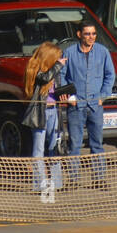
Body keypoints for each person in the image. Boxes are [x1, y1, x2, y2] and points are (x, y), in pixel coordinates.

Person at [62, 19, 115, 189]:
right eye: (87, 34)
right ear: (79, 35)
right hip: (76, 106)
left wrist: (103, 96)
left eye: (93, 33)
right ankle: (74, 180)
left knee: (97, 144)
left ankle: (99, 179)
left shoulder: (103, 52)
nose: (91, 37)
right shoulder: (69, 53)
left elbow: (110, 75)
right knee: (75, 144)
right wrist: (69, 96)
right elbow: (61, 76)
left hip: (95, 105)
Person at [22, 42, 72, 203]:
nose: (60, 60)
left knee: (55, 146)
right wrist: (58, 65)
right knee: (38, 149)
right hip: (40, 113)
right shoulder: (37, 70)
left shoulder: (54, 72)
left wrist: (65, 95)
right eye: (56, 58)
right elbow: (44, 78)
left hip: (54, 111)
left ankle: (56, 182)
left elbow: (56, 86)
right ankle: (40, 183)